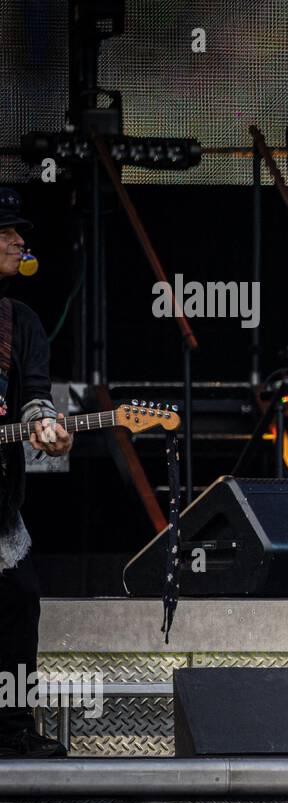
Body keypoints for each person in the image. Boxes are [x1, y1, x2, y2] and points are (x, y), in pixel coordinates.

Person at [0, 188, 74, 758]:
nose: (21, 242)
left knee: (21, 599)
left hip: (1, 508)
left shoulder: (19, 321)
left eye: (20, 233)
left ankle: (13, 730)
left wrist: (47, 427)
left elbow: (32, 397)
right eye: (6, 233)